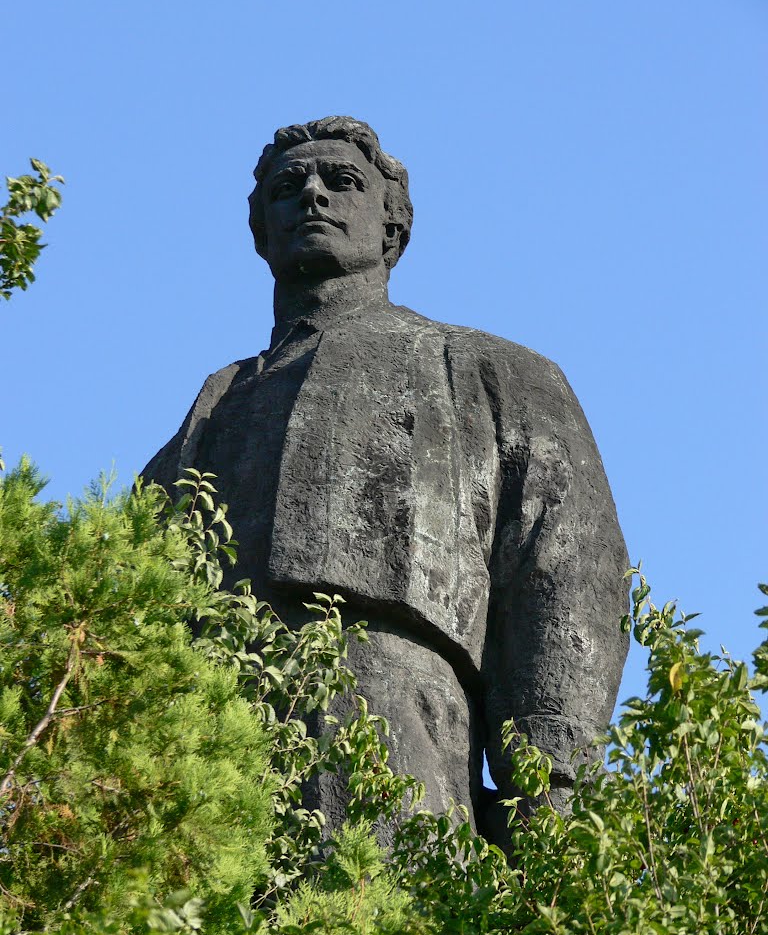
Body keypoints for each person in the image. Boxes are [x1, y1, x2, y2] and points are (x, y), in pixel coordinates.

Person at [142, 116, 629, 843]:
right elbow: (129, 593)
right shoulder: (214, 407)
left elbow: (565, 570)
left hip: (396, 707)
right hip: (209, 735)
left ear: (392, 226)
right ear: (261, 233)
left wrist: (550, 782)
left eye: (342, 182)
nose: (312, 195)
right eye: (288, 188)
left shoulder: (489, 370)